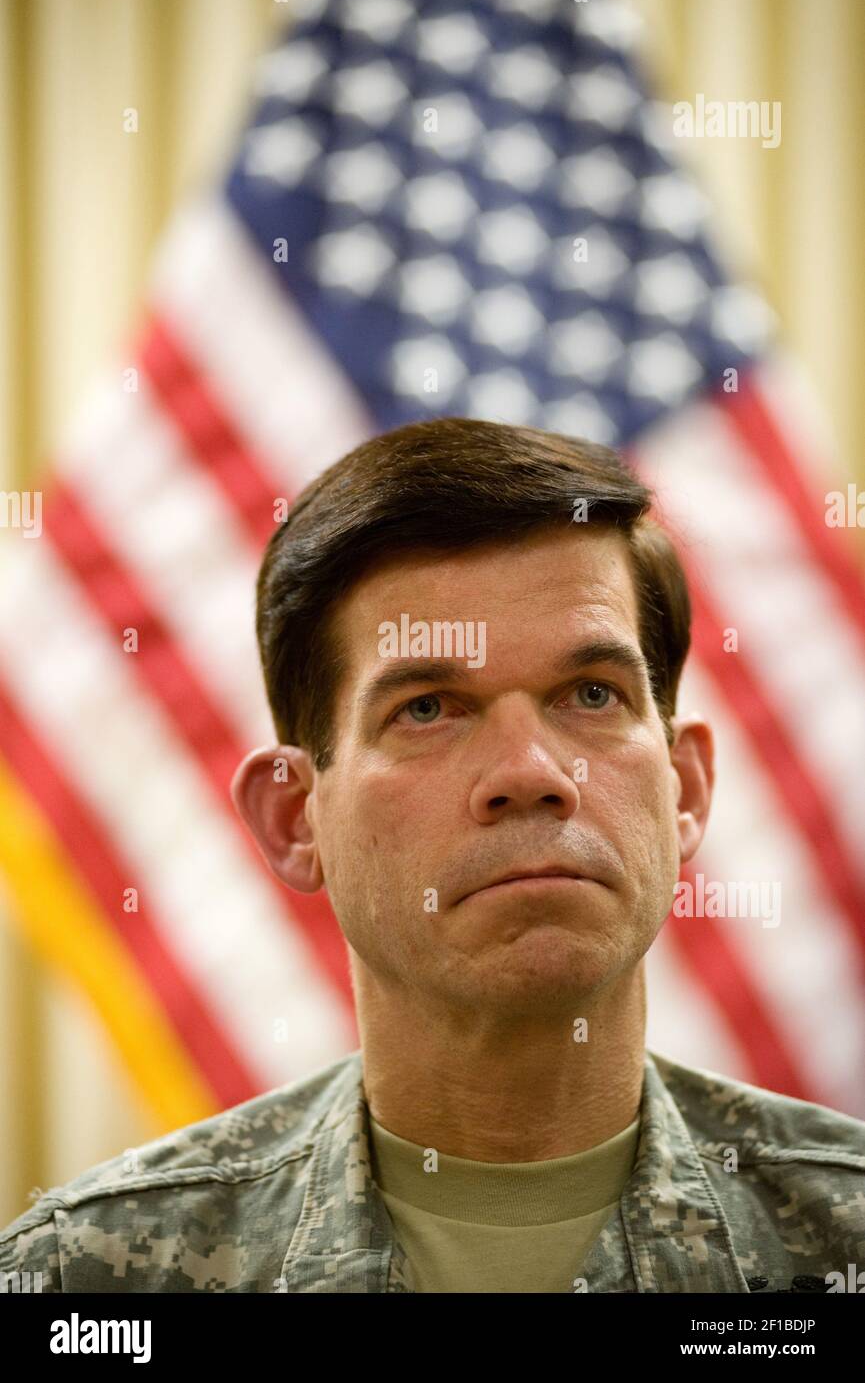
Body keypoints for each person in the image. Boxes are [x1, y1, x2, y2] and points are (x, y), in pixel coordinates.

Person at [2, 417, 863, 1294]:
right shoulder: (86, 1277)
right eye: (426, 708)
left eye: (591, 694)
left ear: (685, 788)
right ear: (294, 818)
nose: (531, 774)